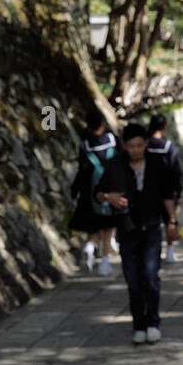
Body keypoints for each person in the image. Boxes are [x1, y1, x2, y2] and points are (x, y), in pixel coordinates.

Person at [96, 122, 179, 346]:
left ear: (146, 144)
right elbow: (98, 194)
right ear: (124, 145)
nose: (135, 150)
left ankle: (153, 322)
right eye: (131, 146)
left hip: (152, 227)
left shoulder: (157, 163)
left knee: (151, 276)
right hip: (127, 228)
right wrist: (109, 197)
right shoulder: (114, 165)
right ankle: (139, 324)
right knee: (133, 280)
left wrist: (172, 221)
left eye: (139, 146)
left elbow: (167, 195)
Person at [68, 111, 119, 275]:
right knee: (108, 228)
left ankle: (89, 247)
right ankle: (104, 262)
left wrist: (75, 191)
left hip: (90, 191)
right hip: (111, 189)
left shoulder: (85, 144)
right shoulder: (112, 140)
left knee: (95, 226)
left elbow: (82, 170)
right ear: (103, 123)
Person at [147, 113, 183, 261]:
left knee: (152, 221)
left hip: (149, 188)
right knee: (170, 219)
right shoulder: (168, 146)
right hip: (167, 189)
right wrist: (178, 191)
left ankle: (153, 251)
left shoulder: (145, 145)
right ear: (164, 127)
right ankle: (169, 251)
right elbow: (175, 169)